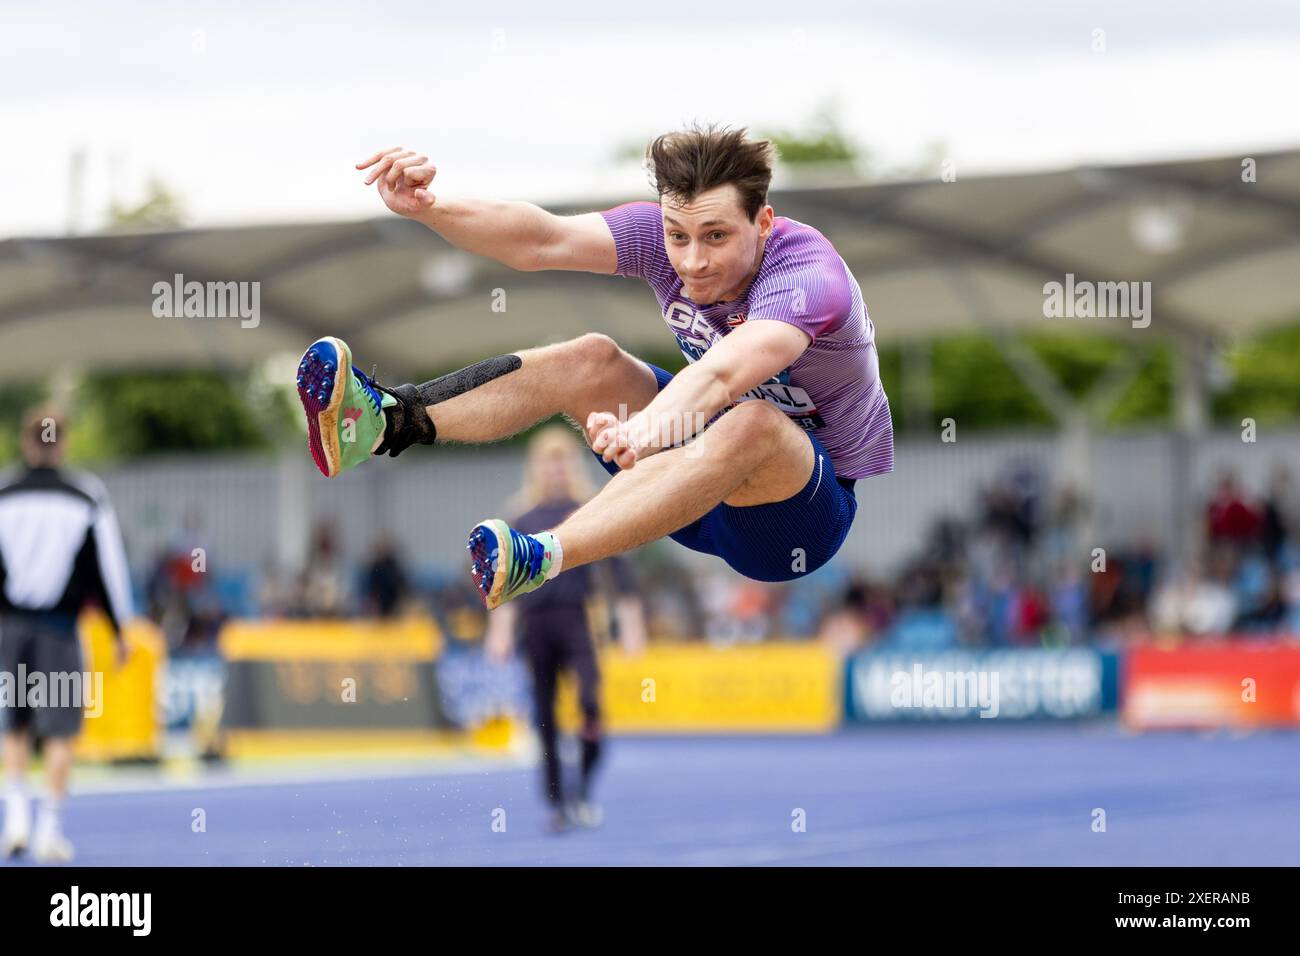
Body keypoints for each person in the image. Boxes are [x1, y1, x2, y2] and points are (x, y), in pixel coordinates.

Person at [295, 123, 893, 610]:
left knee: (756, 422)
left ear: (762, 223)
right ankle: (381, 423)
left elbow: (723, 374)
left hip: (794, 519)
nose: (693, 260)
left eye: (716, 236)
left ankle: (543, 556)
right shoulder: (664, 239)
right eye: (677, 236)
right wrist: (431, 207)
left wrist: (643, 431)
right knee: (591, 358)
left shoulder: (809, 278)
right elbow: (541, 241)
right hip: (672, 483)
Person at [484, 425, 645, 832]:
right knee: (545, 718)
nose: (556, 469)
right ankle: (558, 800)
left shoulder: (591, 509)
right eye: (547, 460)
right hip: (536, 625)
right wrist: (499, 632)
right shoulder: (520, 517)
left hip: (578, 620)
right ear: (536, 467)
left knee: (591, 703)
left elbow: (620, 572)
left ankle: (584, 786)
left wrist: (630, 626)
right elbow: (504, 582)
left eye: (562, 459)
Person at [0, 407, 133, 862]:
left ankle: (15, 816)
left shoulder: (4, 492)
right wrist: (121, 629)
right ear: (64, 444)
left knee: (13, 724)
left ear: (25, 443)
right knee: (59, 732)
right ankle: (47, 829)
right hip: (58, 631)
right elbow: (109, 569)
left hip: (9, 630)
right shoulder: (85, 495)